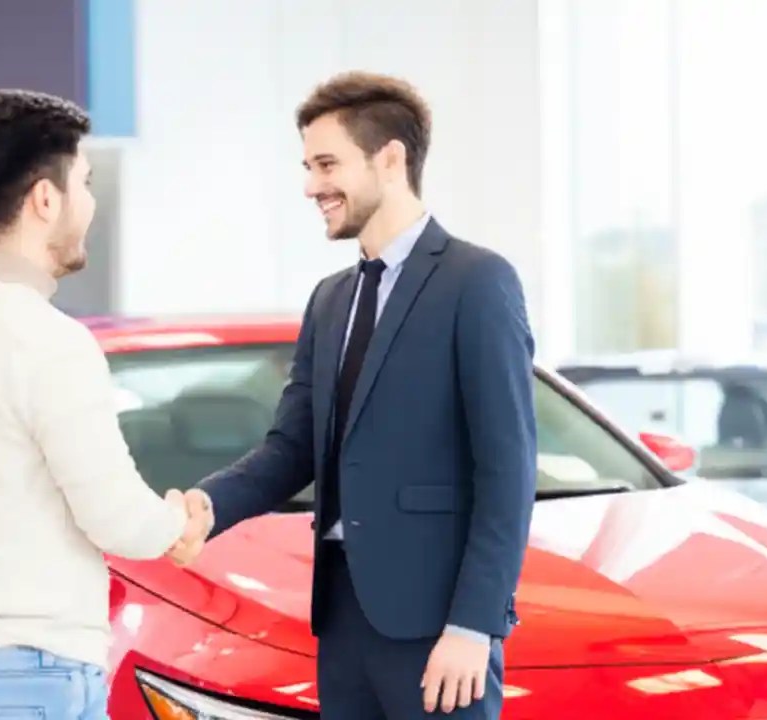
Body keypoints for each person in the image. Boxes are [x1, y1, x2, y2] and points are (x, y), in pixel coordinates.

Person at [169, 71, 537, 719]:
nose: (312, 186)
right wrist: (208, 504)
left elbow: (507, 469)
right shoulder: (331, 297)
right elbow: (294, 447)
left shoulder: (476, 281)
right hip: (343, 617)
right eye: (308, 166)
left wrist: (474, 626)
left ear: (390, 159)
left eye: (327, 164)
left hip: (435, 627)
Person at [0, 89, 200, 719]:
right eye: (85, 182)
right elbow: (115, 518)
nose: (91, 203)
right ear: (45, 199)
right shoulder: (50, 341)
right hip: (29, 677)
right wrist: (178, 524)